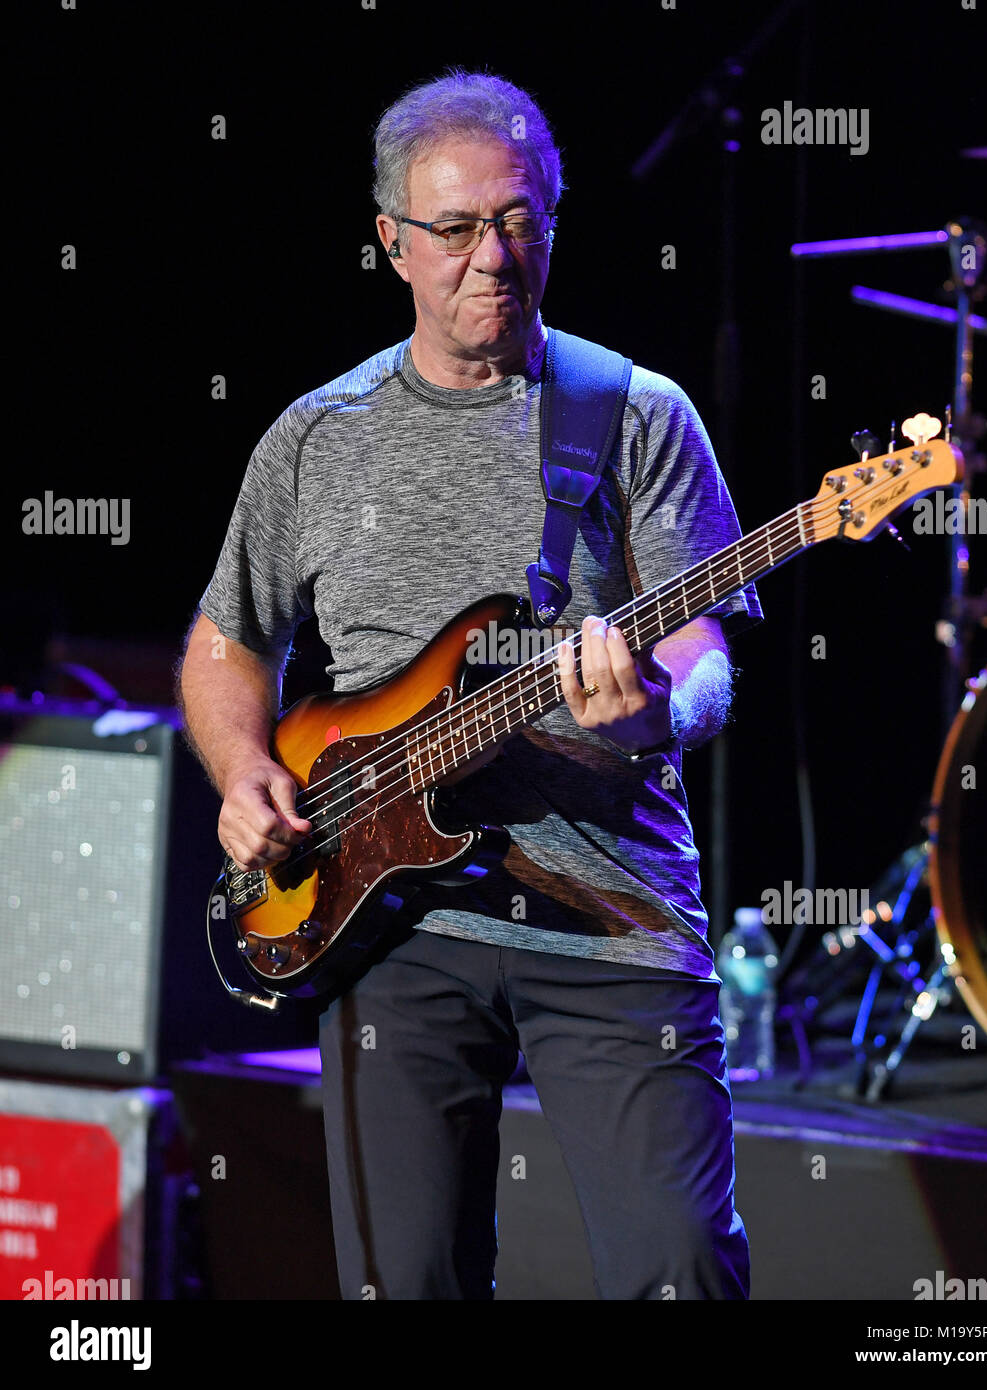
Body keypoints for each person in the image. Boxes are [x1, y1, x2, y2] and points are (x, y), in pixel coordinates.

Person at [177, 67, 762, 1301]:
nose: (490, 256)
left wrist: (658, 705)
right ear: (390, 241)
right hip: (387, 920)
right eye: (452, 228)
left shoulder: (635, 414)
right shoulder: (315, 436)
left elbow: (704, 657)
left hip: (612, 920)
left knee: (677, 1273)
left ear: (552, 221)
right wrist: (243, 772)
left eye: (516, 221)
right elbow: (226, 644)